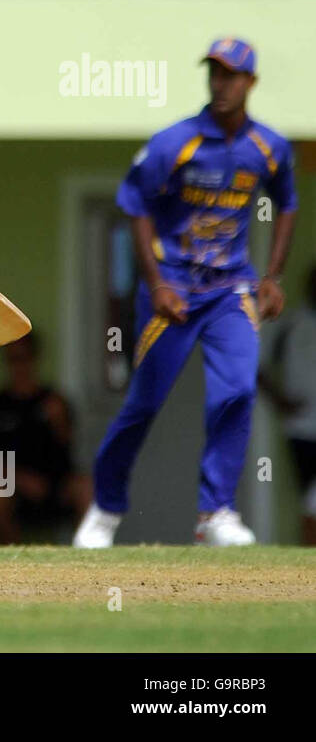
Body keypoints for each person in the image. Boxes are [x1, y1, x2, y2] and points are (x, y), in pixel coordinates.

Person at [74, 38, 298, 547]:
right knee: (144, 403)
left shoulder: (269, 147)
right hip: (173, 288)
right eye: (215, 74)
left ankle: (214, 513)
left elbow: (286, 202)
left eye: (232, 75)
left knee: (238, 392)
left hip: (230, 290)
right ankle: (105, 511)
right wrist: (156, 284)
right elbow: (134, 205)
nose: (221, 84)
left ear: (251, 83)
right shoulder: (175, 142)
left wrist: (272, 277)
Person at [0, 334, 86, 543]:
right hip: (12, 486)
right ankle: (16, 561)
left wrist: (59, 422)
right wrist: (19, 479)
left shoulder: (55, 402)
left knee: (86, 487)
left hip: (54, 485)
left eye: (25, 358)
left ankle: (85, 558)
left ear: (35, 359)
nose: (20, 366)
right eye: (13, 359)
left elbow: (68, 445)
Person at [259, 263, 316, 545]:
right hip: (302, 428)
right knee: (310, 501)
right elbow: (256, 367)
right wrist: (279, 400)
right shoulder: (290, 326)